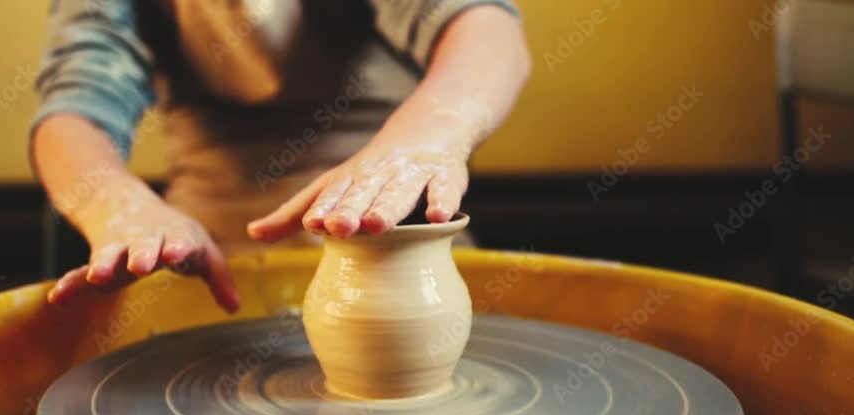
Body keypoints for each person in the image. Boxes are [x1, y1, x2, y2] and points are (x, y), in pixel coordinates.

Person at [30, 0, 531, 313]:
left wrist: (429, 135)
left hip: (399, 253)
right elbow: (75, 105)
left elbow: (484, 26)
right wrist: (116, 205)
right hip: (204, 267)